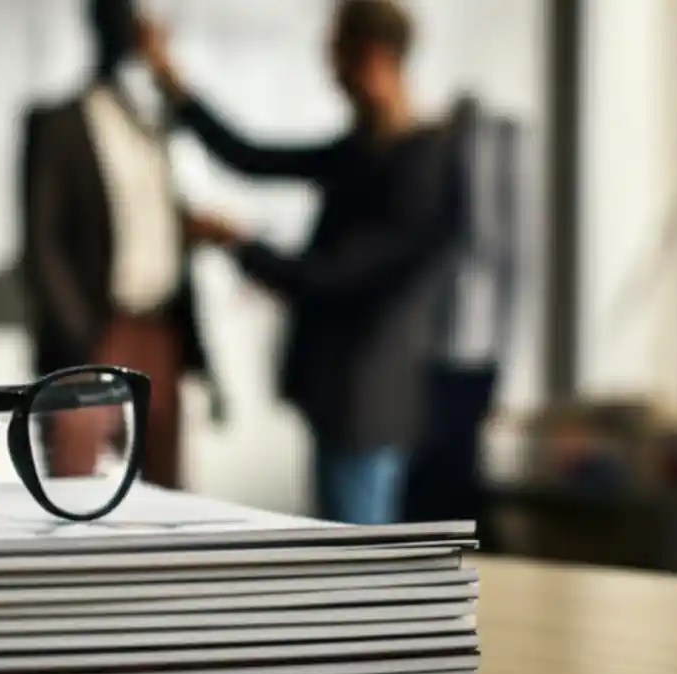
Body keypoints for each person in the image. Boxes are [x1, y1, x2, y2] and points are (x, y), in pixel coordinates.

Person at [144, 0, 466, 523]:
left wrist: (237, 243)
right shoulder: (367, 150)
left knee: (358, 562)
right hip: (346, 394)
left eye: (336, 59)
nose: (332, 75)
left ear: (372, 57)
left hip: (367, 396)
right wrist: (173, 84)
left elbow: (334, 277)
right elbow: (250, 157)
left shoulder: (419, 162)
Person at [19, 0, 216, 491]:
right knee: (76, 492)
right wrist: (83, 337)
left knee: (166, 493)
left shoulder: (157, 124)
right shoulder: (58, 124)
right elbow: (43, 245)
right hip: (96, 329)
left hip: (160, 327)